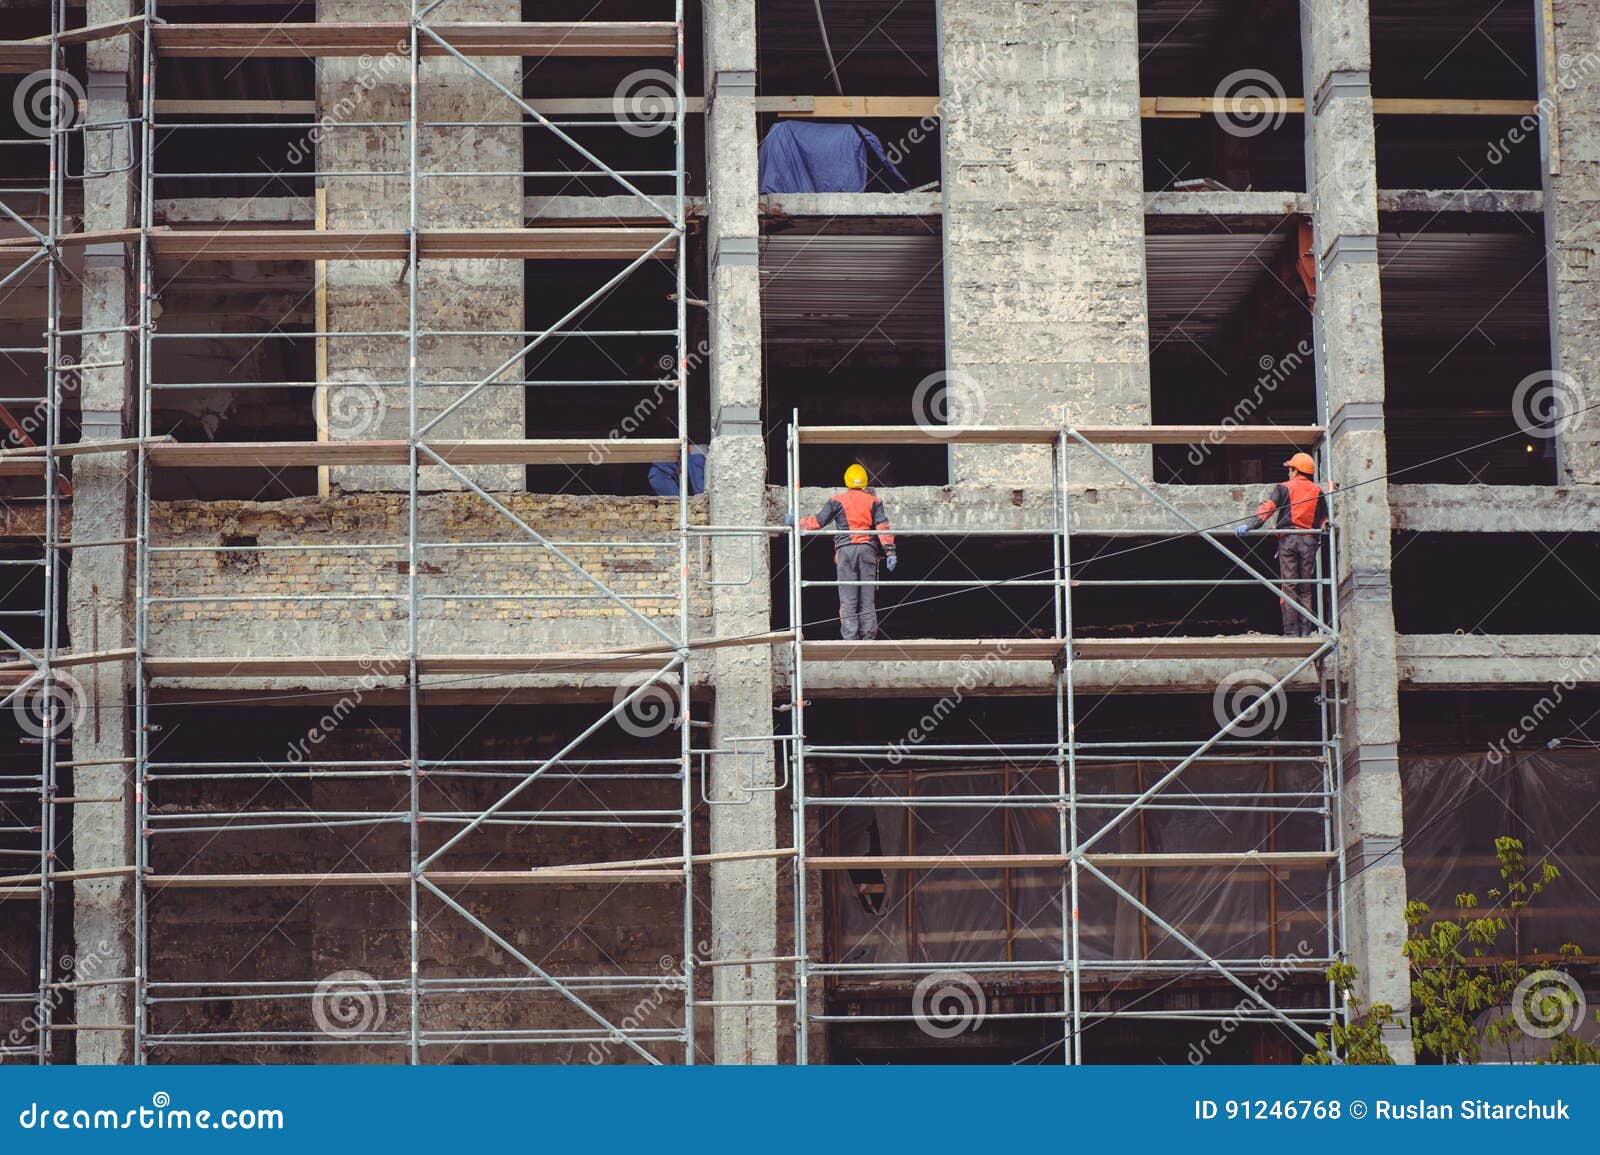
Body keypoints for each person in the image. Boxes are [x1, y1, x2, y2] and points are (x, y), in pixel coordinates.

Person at [787, 462, 897, 641]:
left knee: (848, 598)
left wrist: (795, 521)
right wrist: (890, 552)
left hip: (845, 553)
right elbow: (882, 526)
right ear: (865, 483)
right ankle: (868, 638)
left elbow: (817, 522)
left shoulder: (837, 501)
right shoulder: (874, 501)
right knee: (867, 599)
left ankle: (850, 639)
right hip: (867, 552)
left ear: (846, 482)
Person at [1235, 452, 1329, 637]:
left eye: (1290, 469)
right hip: (1309, 541)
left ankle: (1292, 632)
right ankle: (1306, 631)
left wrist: (1251, 525)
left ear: (1296, 470)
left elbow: (1267, 509)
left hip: (1288, 540)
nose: (1288, 472)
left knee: (1289, 586)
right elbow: (1324, 519)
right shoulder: (1318, 491)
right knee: (1306, 587)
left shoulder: (1283, 487)